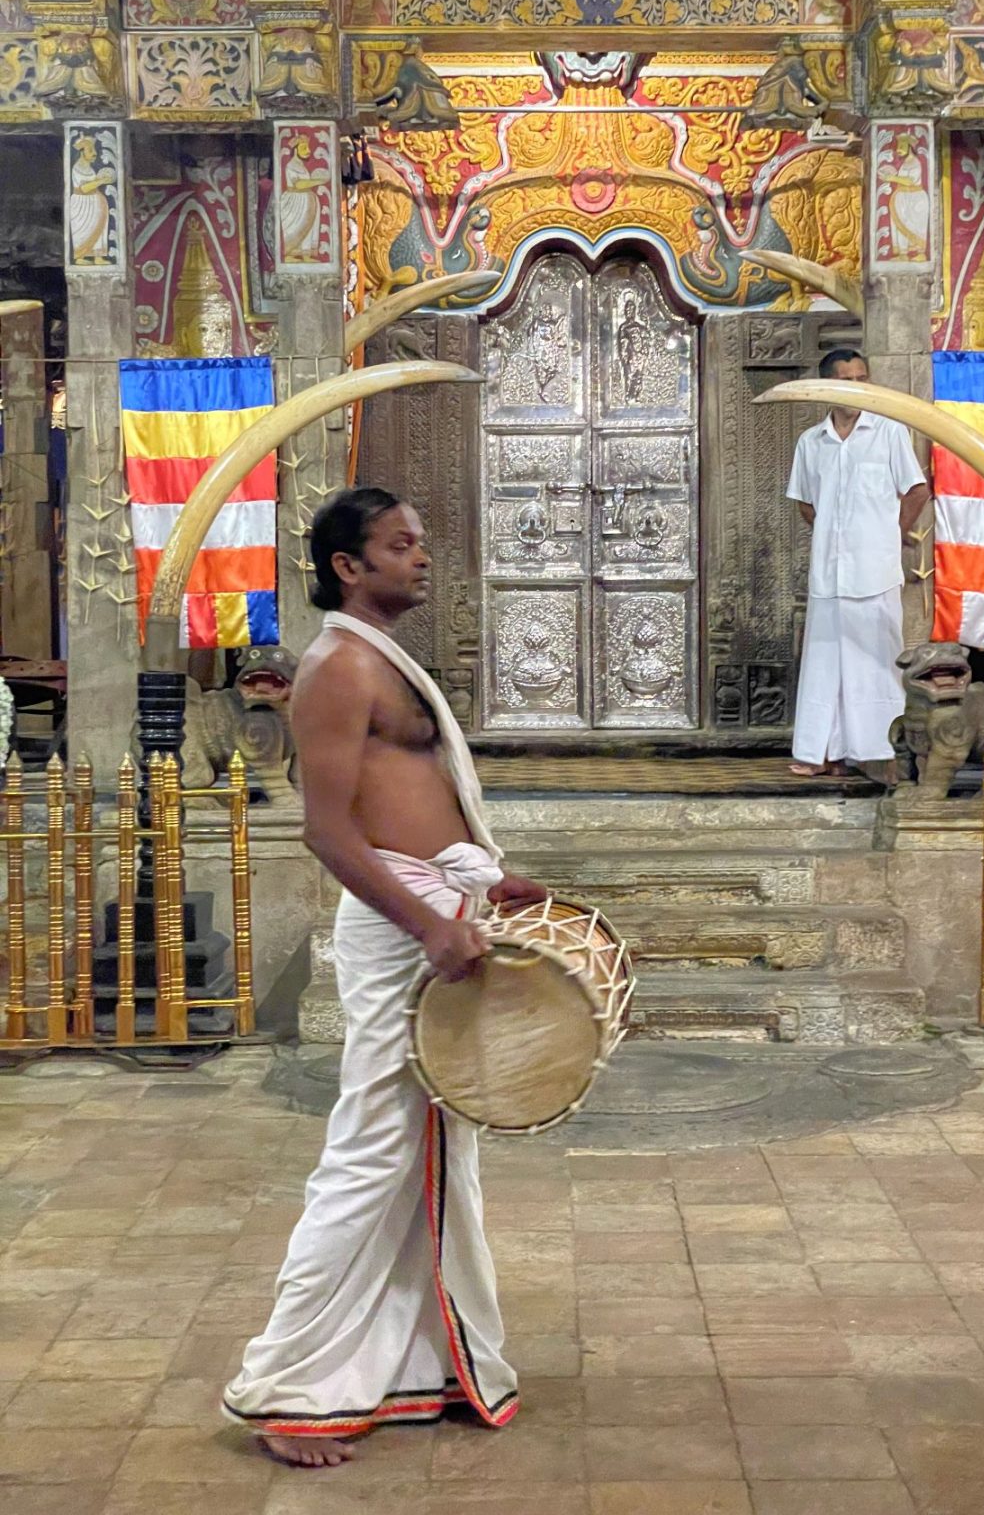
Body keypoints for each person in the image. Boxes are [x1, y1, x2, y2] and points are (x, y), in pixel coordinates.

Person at [222, 486, 546, 1466]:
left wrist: (482, 879)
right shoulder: (336, 668)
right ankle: (289, 1390)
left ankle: (414, 1364)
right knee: (371, 1150)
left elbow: (411, 796)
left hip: (438, 904)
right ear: (348, 567)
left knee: (432, 1154)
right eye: (400, 545)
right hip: (402, 925)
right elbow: (328, 832)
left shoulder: (379, 658)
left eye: (420, 542)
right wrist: (428, 921)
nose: (421, 557)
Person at [787, 349, 929, 778]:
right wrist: (834, 533)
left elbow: (917, 490)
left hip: (876, 571)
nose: (857, 387)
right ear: (827, 387)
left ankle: (879, 752)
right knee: (824, 664)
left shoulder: (888, 430)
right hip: (828, 574)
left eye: (862, 378)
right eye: (847, 380)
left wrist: (889, 532)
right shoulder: (812, 441)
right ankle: (822, 752)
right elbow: (806, 503)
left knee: (878, 662)